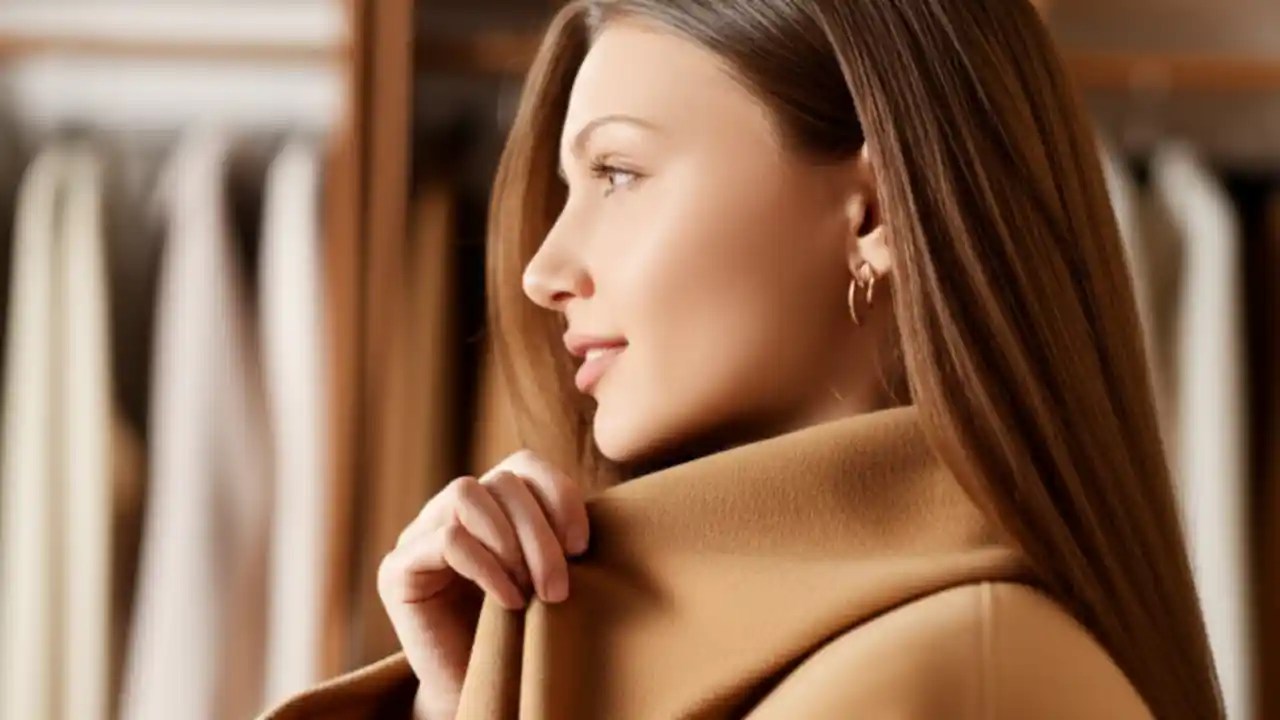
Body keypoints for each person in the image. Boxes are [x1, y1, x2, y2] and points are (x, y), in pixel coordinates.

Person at [260, 0, 1223, 718]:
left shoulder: (951, 673)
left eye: (619, 174)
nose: (544, 270)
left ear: (875, 213)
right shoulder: (850, 656)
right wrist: (470, 695)